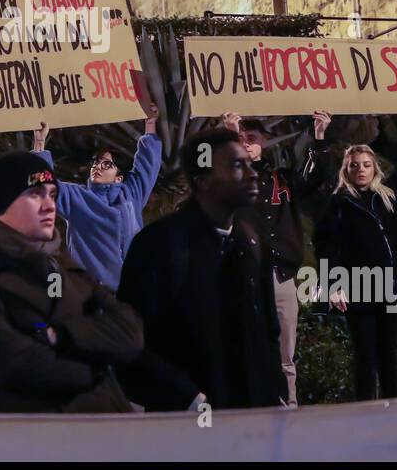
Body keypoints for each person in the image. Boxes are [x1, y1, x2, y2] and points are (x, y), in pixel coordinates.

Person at [0, 152, 143, 412]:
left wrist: (62, 335)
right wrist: (84, 346)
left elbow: (130, 335)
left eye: (52, 196)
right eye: (35, 195)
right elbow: (19, 361)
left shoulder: (68, 269)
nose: (48, 206)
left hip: (96, 431)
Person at [118, 128, 289, 411]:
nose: (252, 174)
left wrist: (274, 392)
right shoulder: (159, 244)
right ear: (204, 181)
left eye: (249, 163)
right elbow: (130, 341)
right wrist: (189, 399)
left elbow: (268, 329)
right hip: (185, 430)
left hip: (252, 422)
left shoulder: (252, 238)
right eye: (236, 165)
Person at [313, 107, 397, 401]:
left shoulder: (387, 196)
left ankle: (394, 411)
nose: (360, 169)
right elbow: (325, 245)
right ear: (346, 170)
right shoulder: (338, 203)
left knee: (388, 354)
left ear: (374, 168)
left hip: (389, 285)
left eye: (365, 164)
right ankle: (365, 414)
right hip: (359, 286)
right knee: (366, 356)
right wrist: (332, 285)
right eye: (354, 165)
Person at [221, 110, 332, 406]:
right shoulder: (229, 176)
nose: (246, 143)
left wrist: (319, 135)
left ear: (265, 142)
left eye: (251, 138)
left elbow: (317, 178)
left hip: (281, 273)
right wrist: (230, 136)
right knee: (245, 346)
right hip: (245, 274)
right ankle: (248, 409)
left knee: (285, 352)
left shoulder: (282, 178)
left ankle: (289, 408)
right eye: (241, 138)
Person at [31, 104, 162, 291]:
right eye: (95, 164)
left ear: (119, 177)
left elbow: (148, 165)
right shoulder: (78, 198)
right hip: (94, 297)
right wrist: (39, 144)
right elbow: (43, 186)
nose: (97, 167)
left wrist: (150, 124)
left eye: (106, 164)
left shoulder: (131, 194)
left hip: (135, 291)